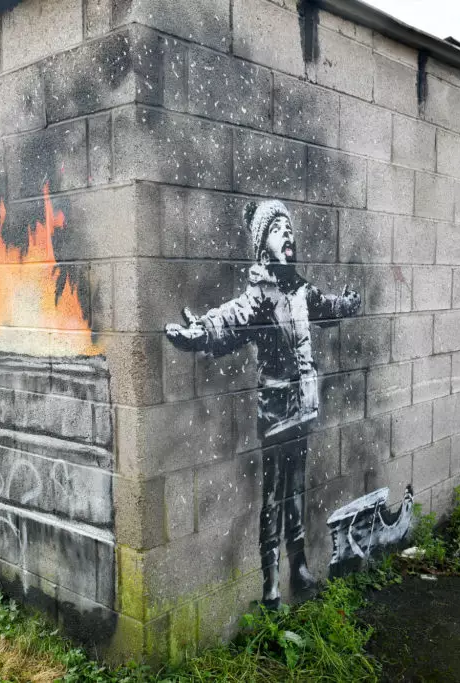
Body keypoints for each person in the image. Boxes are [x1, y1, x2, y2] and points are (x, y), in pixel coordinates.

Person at [165, 199, 361, 608]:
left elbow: (326, 307)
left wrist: (347, 304)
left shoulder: (300, 290)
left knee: (297, 492)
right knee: (273, 498)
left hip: (303, 411)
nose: (286, 234)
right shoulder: (261, 294)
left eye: (288, 228)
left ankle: (300, 566)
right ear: (261, 247)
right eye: (276, 230)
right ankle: (271, 584)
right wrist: (202, 331)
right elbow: (231, 319)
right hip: (275, 413)